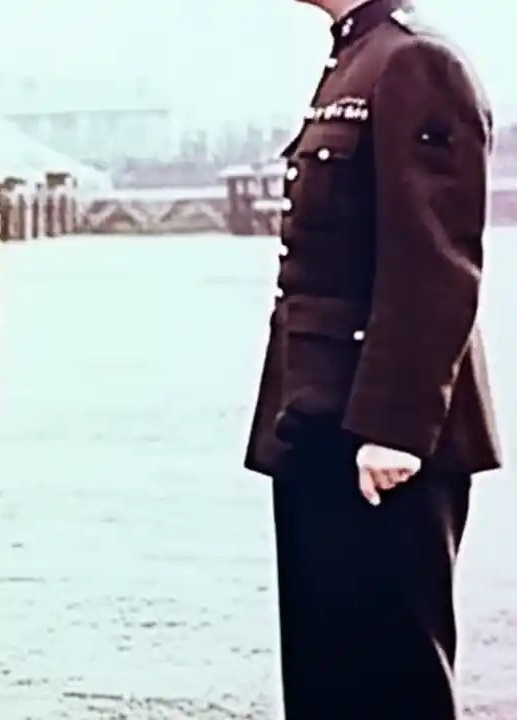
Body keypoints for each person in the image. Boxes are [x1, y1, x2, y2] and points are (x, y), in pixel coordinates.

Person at [245, 1, 502, 717]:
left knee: (392, 675)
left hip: (380, 432)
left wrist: (395, 429)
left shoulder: (415, 61)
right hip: (319, 416)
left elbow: (436, 262)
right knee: (326, 669)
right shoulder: (356, 58)